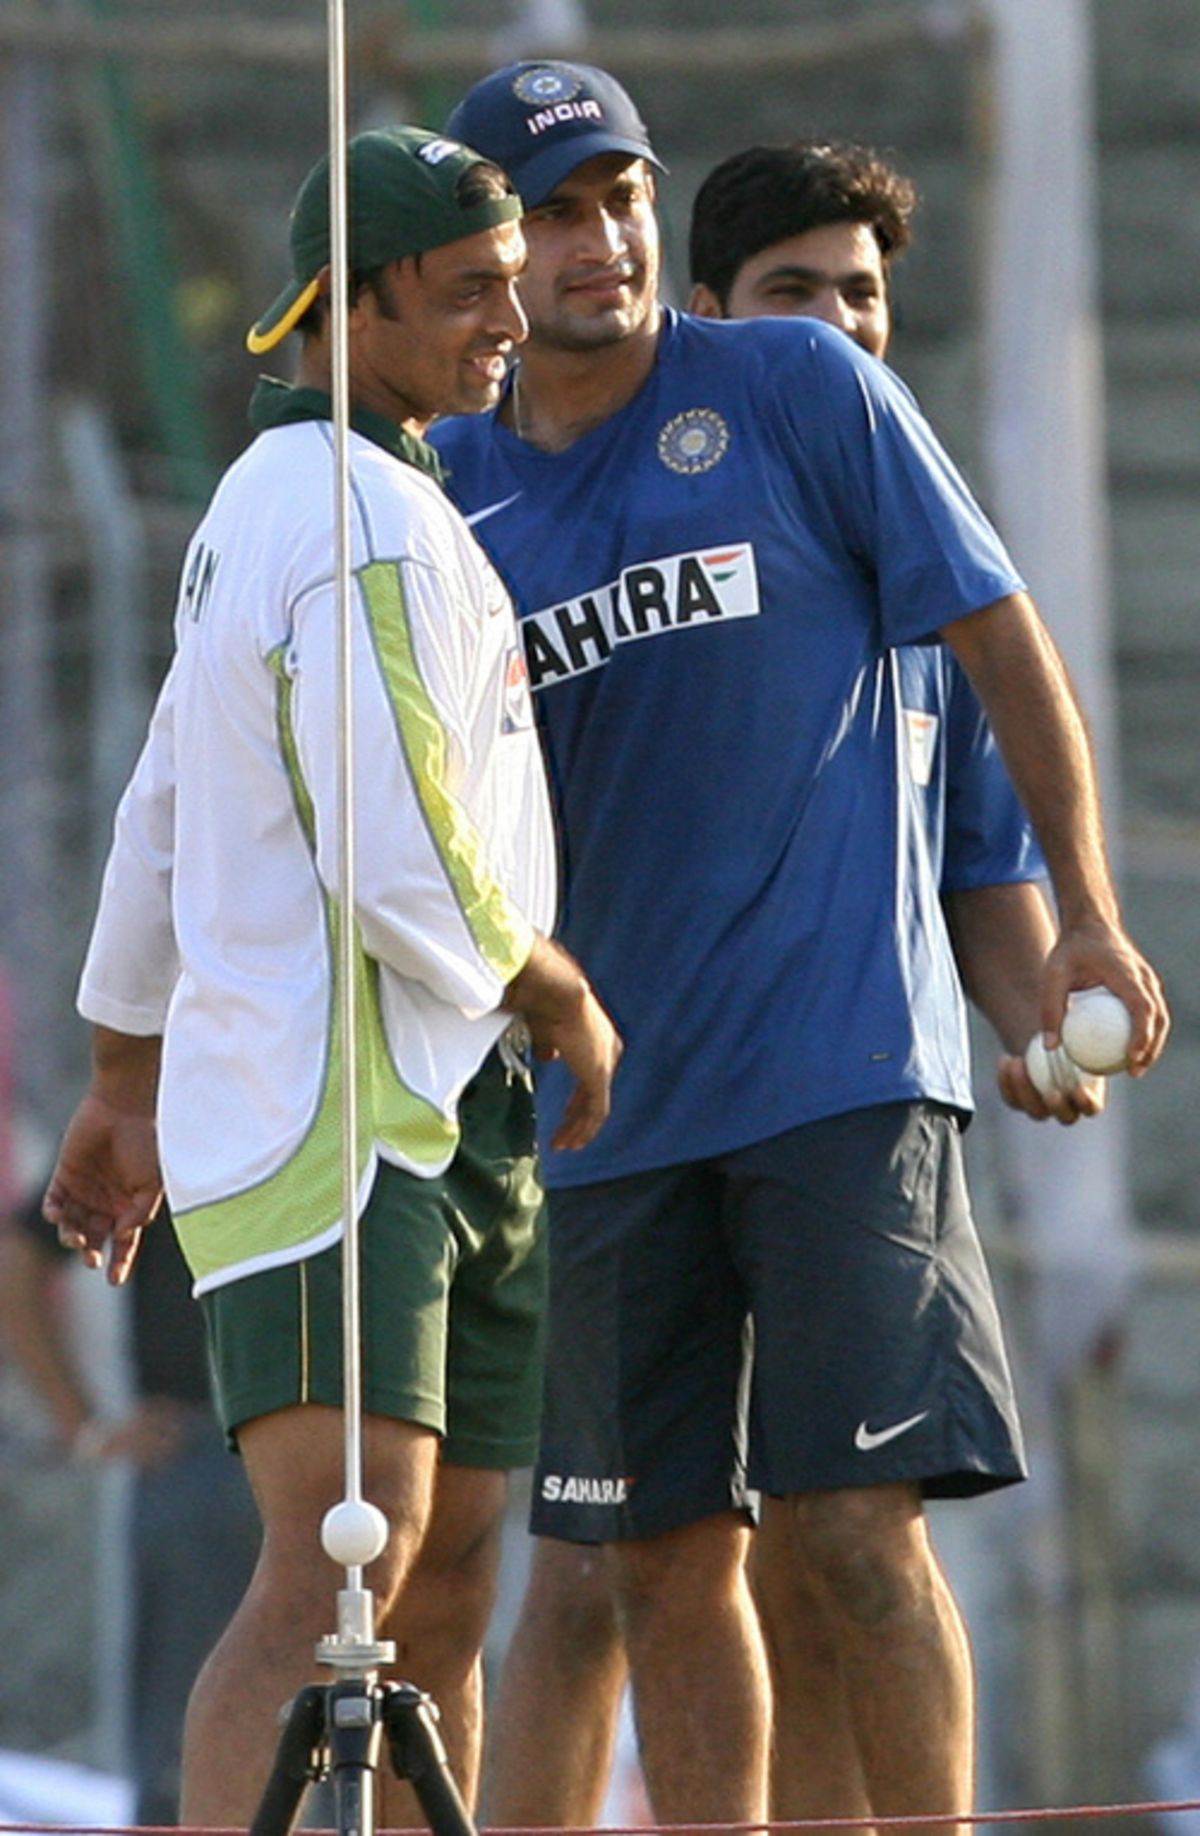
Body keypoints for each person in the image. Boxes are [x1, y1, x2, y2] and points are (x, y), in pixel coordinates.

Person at [428, 64, 1169, 1831]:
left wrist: (1085, 924)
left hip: (844, 1085)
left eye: (621, 196)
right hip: (598, 1121)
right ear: (484, 252)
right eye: (554, 208)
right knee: (620, 1567)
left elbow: (1001, 651)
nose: (598, 237)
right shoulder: (434, 489)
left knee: (850, 1537)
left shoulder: (799, 391)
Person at [43, 123, 621, 1829]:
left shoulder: (322, 506)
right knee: (329, 1575)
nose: (504, 326)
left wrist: (120, 1081)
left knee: (440, 1580)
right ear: (347, 307)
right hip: (340, 1123)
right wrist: (555, 989)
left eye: (508, 290)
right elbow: (393, 837)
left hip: (452, 1120)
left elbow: (165, 796)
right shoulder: (346, 514)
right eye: (464, 295)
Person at [0, 1184, 259, 1824]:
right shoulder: (172, 1105)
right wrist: (85, 1427)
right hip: (204, 1456)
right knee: (184, 1742)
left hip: (336, 1448)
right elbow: (19, 1257)